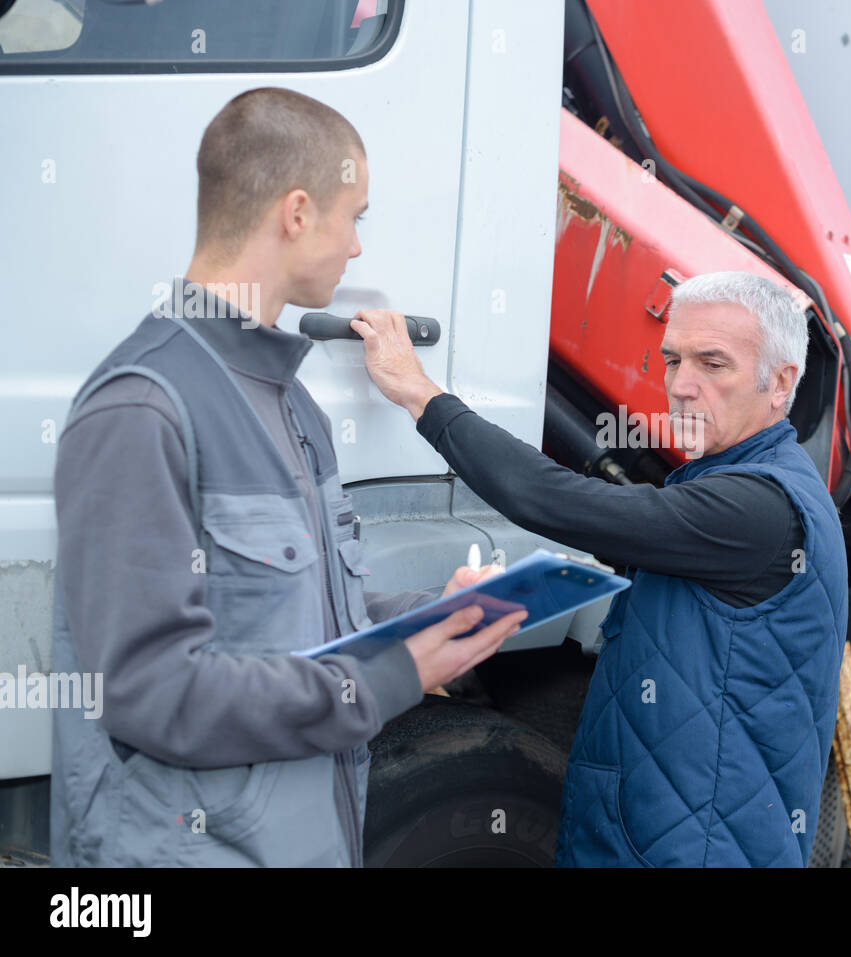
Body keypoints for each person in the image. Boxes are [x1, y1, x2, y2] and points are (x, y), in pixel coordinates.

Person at [49, 87, 526, 868]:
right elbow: (150, 692)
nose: (359, 248)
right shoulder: (141, 407)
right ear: (297, 213)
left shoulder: (290, 401)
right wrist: (393, 674)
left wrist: (427, 618)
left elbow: (293, 611)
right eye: (356, 216)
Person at [350, 270, 849, 867]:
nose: (682, 386)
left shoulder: (759, 507)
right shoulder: (750, 485)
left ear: (780, 382)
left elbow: (549, 497)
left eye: (713, 365)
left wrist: (419, 394)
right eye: (672, 360)